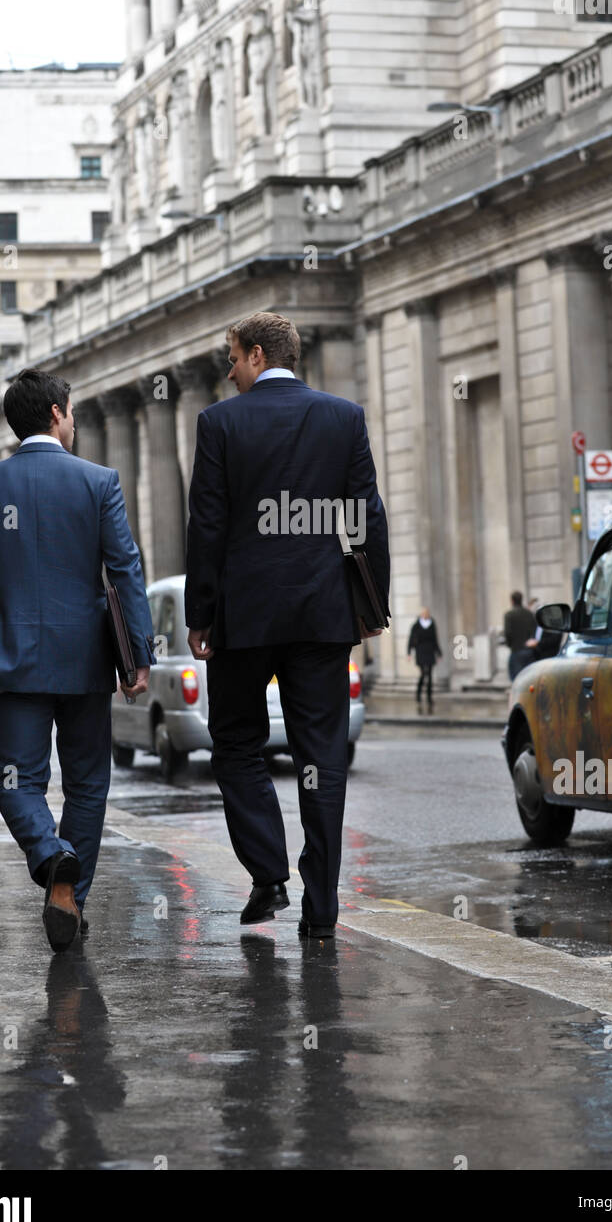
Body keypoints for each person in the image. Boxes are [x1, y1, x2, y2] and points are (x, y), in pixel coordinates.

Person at [185, 311, 390, 939]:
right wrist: (372, 603)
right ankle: (321, 909)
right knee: (322, 759)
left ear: (253, 354)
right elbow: (367, 518)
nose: (228, 370)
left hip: (244, 619)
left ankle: (269, 872)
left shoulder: (219, 422)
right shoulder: (343, 417)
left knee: (236, 744)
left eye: (231, 357)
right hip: (322, 617)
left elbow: (209, 526)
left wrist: (201, 615)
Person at [0, 368, 155, 953]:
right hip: (87, 664)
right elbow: (125, 570)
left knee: (16, 783)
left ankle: (50, 859)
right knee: (88, 786)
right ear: (59, 413)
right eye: (74, 411)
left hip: (14, 666)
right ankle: (71, 895)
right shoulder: (99, 482)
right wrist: (138, 656)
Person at [407, 607, 442, 714]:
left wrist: (439, 652)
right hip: (420, 652)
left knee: (430, 675)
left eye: (427, 613)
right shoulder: (416, 625)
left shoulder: (432, 624)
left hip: (430, 651)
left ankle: (429, 697)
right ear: (421, 614)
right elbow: (411, 639)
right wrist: (409, 652)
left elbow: (435, 639)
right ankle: (418, 695)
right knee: (423, 674)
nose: (426, 615)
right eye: (424, 613)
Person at [503, 590, 536, 680]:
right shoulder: (529, 614)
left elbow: (508, 633)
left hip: (516, 650)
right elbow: (534, 631)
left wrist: (510, 644)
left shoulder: (509, 615)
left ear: (512, 601)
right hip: (529, 651)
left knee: (516, 679)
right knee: (529, 679)